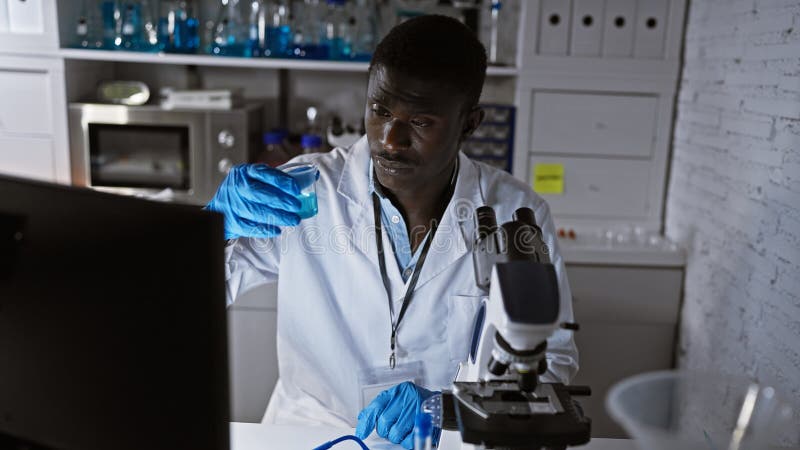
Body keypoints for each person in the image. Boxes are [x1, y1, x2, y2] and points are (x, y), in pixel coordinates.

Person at [208, 15, 578, 449]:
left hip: (441, 437)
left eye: (420, 121)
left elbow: (551, 362)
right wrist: (212, 228)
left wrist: (452, 407)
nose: (390, 138)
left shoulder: (515, 213)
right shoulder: (307, 192)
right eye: (380, 110)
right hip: (313, 430)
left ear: (469, 124)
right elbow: (182, 298)